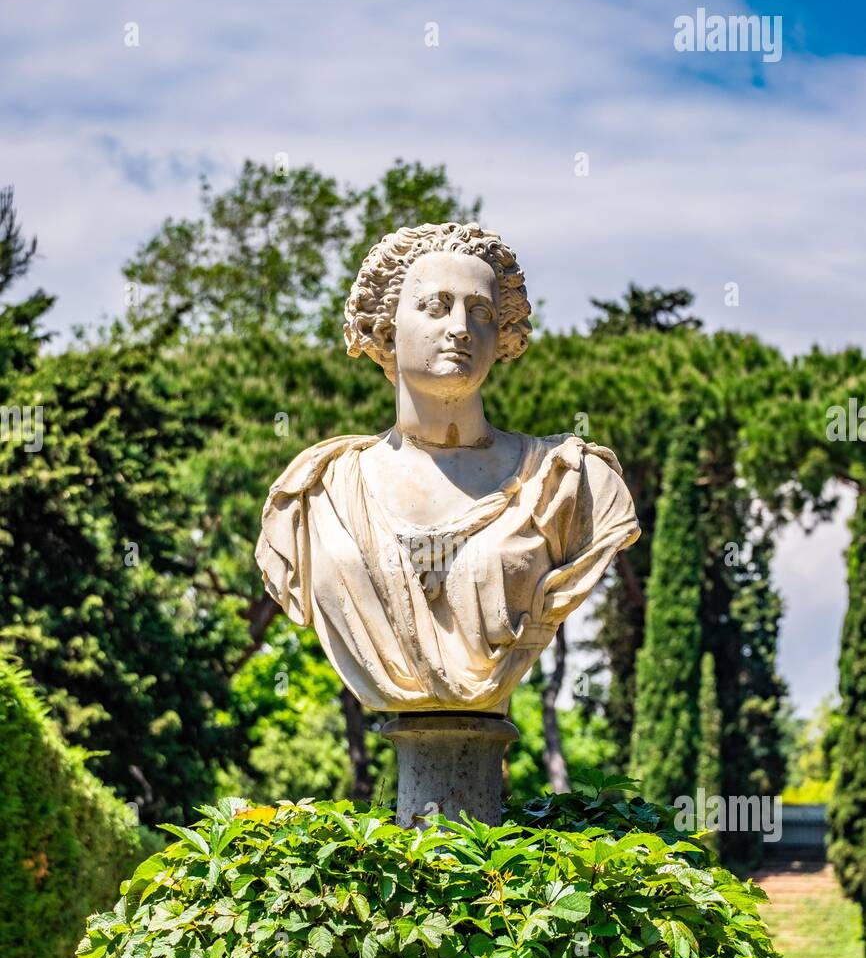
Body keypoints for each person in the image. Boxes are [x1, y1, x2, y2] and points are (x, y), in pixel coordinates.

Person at [256, 222, 640, 712]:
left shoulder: (568, 482)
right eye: (436, 307)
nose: (460, 327)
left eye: (480, 312)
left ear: (502, 333)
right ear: (386, 327)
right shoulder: (318, 495)